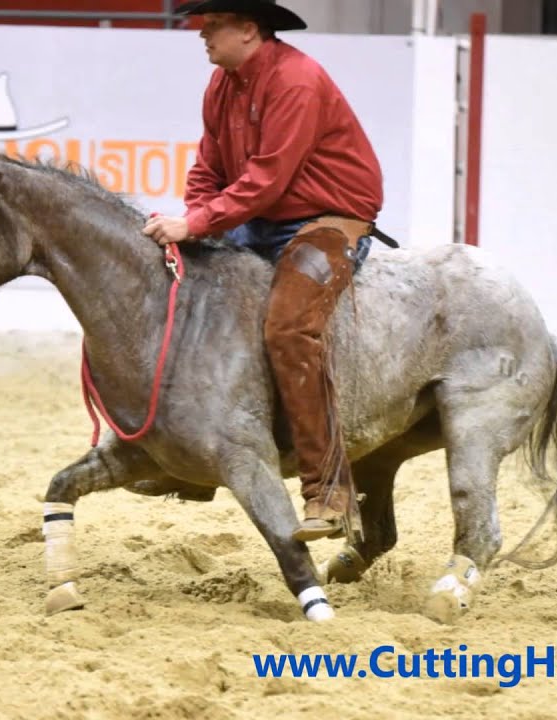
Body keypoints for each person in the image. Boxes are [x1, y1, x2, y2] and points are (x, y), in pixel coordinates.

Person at [141, 0, 386, 542]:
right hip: (263, 216)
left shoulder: (297, 80)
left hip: (329, 216)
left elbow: (267, 178)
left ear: (248, 30)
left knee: (289, 329)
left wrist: (195, 222)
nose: (202, 34)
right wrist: (197, 220)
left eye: (213, 25)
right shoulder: (223, 83)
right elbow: (209, 167)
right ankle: (190, 459)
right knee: (187, 301)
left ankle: (329, 490)